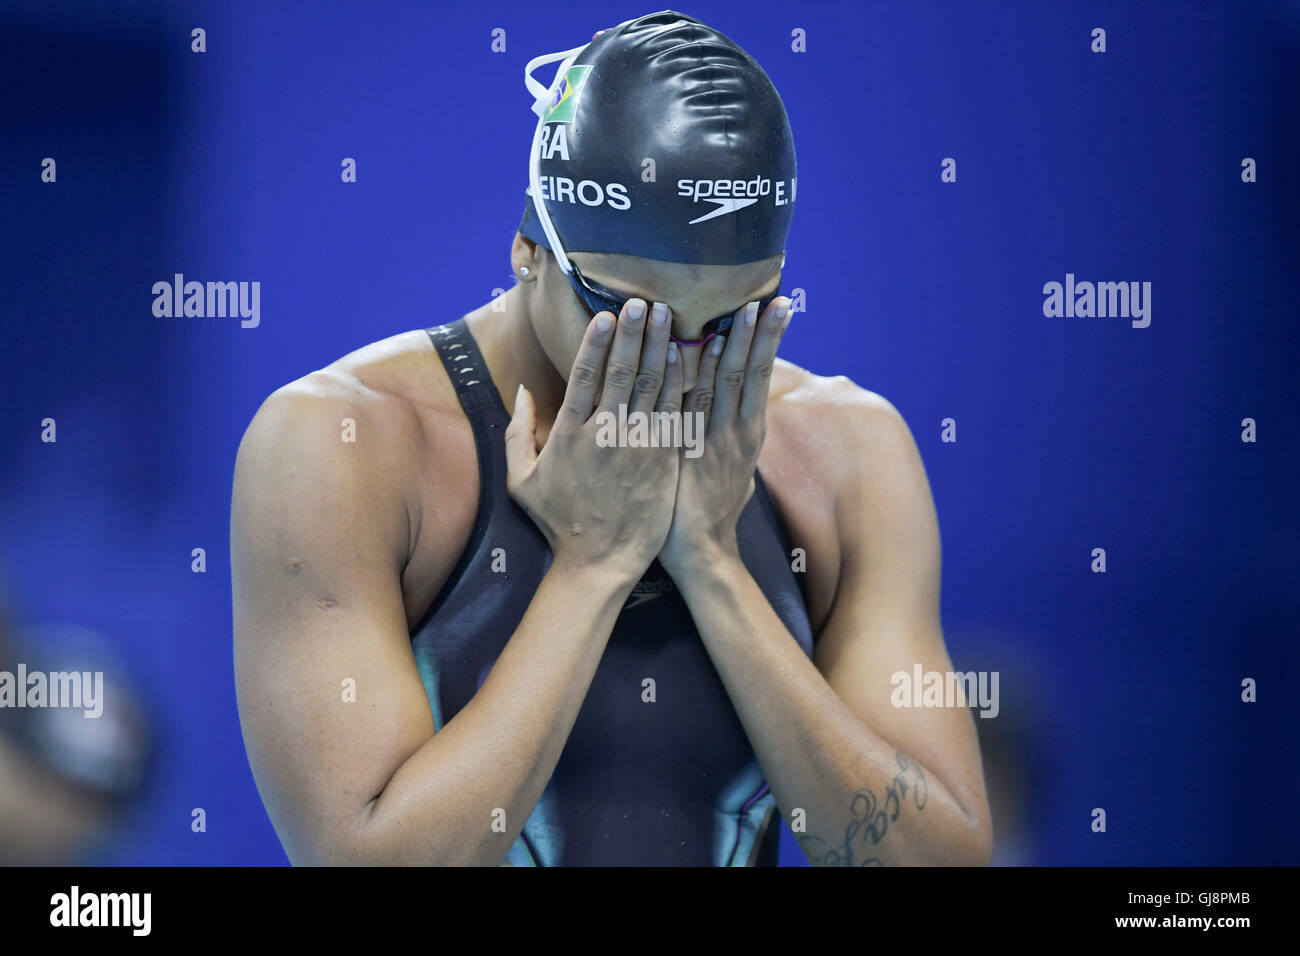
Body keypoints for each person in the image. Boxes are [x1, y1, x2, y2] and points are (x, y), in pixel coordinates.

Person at [232, 10, 992, 866]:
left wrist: (713, 563)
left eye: (736, 318)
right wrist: (591, 567)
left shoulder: (849, 452)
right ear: (529, 245)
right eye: (633, 314)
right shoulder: (343, 447)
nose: (684, 364)